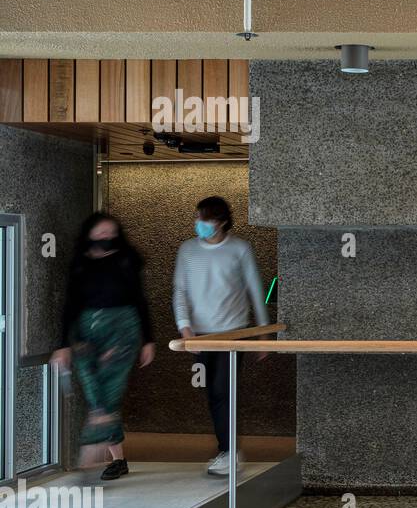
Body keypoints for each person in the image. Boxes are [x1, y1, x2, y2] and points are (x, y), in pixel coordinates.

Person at [51, 213, 155, 481]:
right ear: (89, 234)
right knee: (94, 388)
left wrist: (148, 339)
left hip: (123, 329)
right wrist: (63, 345)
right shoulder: (80, 263)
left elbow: (140, 301)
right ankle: (116, 458)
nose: (107, 237)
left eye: (111, 232)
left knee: (108, 390)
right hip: (86, 332)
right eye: (101, 232)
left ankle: (91, 444)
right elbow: (70, 304)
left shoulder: (126, 260)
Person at [173, 196, 268, 477]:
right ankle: (227, 450)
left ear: (222, 221)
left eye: (206, 219)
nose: (199, 224)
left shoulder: (240, 249)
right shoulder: (187, 250)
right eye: (197, 218)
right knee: (213, 395)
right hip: (201, 334)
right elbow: (180, 290)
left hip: (233, 333)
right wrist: (184, 326)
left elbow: (255, 290)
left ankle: (230, 452)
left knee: (223, 391)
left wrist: (263, 333)